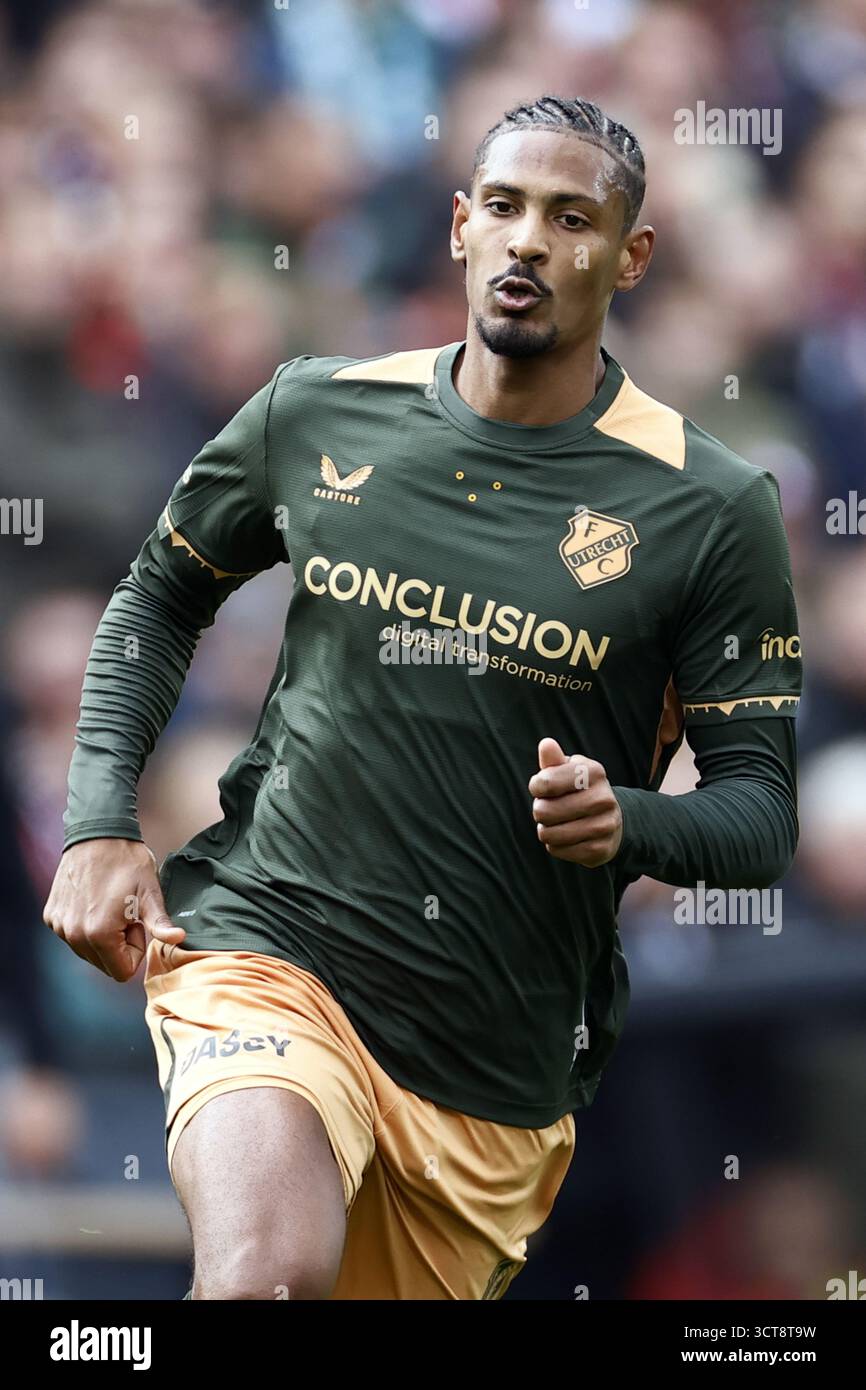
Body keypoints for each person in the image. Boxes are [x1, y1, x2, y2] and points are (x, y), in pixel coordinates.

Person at [43, 95, 802, 1300]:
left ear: (631, 255)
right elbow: (154, 600)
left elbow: (761, 811)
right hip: (268, 948)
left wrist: (630, 823)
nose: (527, 243)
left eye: (569, 218)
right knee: (263, 1279)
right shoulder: (316, 408)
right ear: (457, 226)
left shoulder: (709, 509)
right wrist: (98, 822)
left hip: (487, 1084)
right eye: (500, 208)